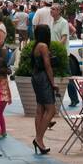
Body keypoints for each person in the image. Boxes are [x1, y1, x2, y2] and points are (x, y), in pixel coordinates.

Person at [29, 24, 58, 154]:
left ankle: (39, 140)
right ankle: (39, 138)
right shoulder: (44, 46)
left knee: (40, 109)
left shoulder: (36, 45)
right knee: (51, 110)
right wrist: (53, 83)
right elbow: (47, 66)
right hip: (43, 78)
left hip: (36, 76)